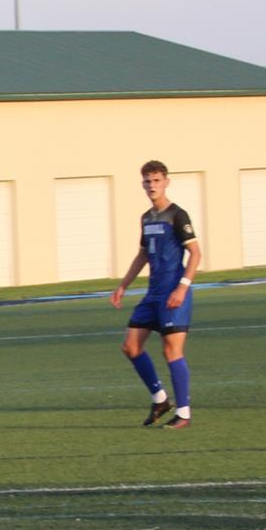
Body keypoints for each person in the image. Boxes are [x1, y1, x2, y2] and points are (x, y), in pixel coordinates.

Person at [110, 160, 201, 429]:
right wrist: (123, 285)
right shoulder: (146, 218)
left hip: (173, 292)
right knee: (131, 346)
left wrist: (182, 287)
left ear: (166, 182)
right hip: (152, 295)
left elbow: (196, 253)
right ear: (142, 184)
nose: (152, 186)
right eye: (148, 181)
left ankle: (183, 413)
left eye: (157, 180)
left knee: (171, 351)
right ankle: (160, 399)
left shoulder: (178, 215)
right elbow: (142, 255)